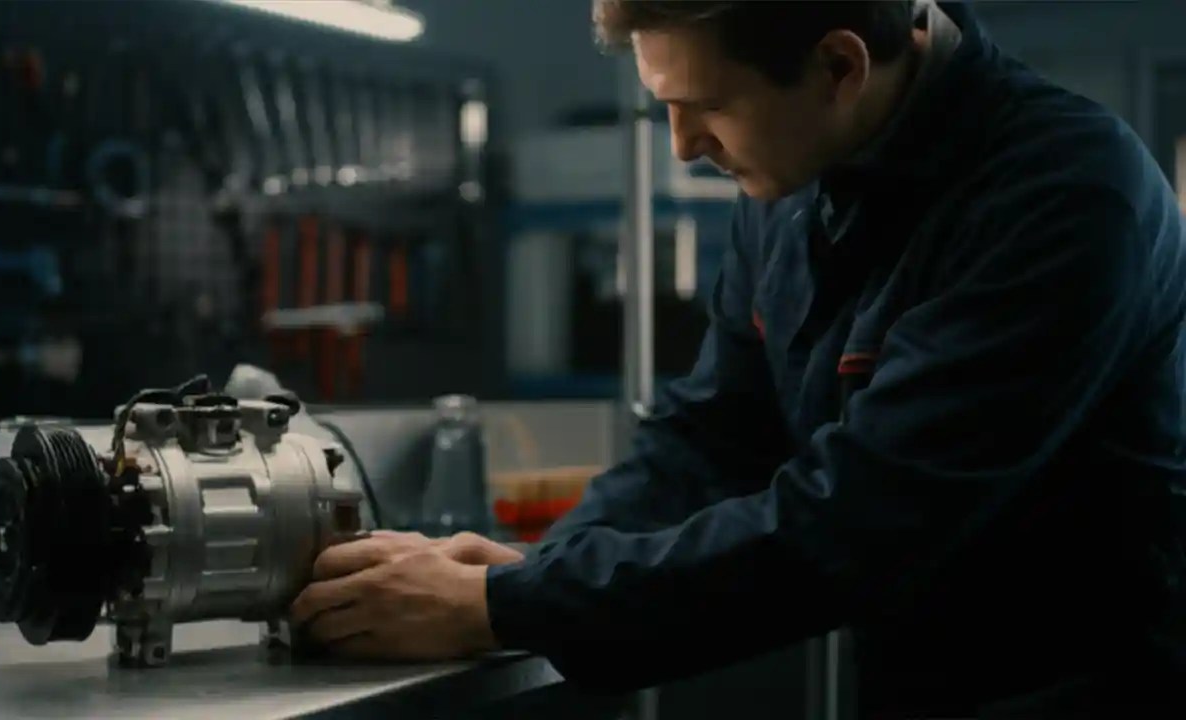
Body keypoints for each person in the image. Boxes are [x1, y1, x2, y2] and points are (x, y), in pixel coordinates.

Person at [289, 1, 1186, 716]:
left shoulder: (1065, 193)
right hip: (920, 686)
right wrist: (546, 568)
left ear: (840, 66)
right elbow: (709, 437)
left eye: (708, 108)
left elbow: (861, 517)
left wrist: (505, 608)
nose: (682, 146)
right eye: (666, 106)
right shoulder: (793, 182)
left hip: (1090, 689)